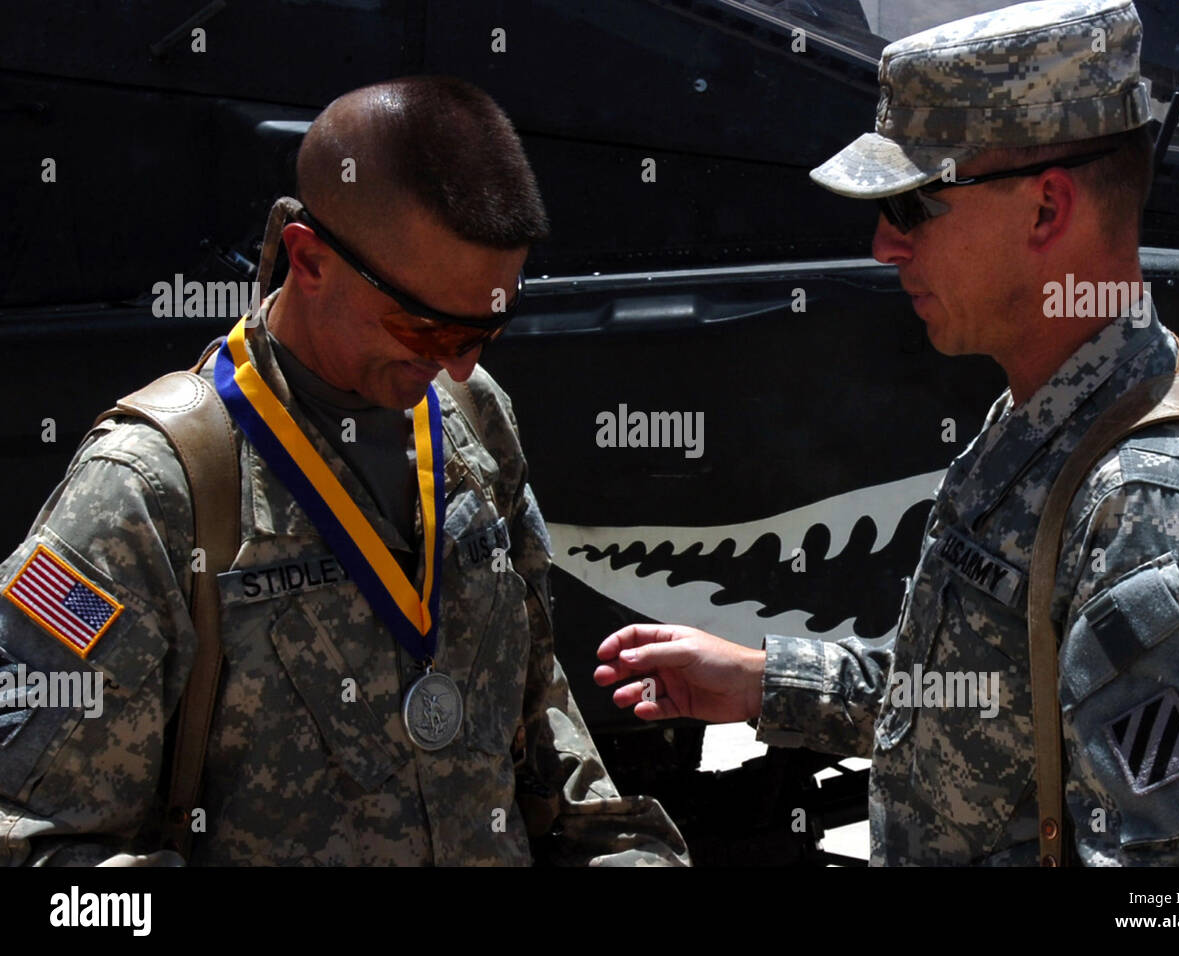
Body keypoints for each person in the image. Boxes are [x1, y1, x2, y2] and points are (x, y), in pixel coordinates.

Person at [596, 0, 1179, 865]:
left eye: (915, 204)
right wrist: (768, 682)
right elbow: (997, 703)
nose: (884, 244)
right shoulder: (1052, 418)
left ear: (1046, 211)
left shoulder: (1150, 506)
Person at [0, 75, 687, 866]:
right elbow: (43, 855)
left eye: (485, 330)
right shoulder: (151, 493)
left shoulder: (473, 419)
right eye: (423, 326)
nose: (457, 365)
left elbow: (537, 716)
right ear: (309, 259)